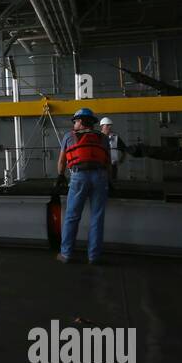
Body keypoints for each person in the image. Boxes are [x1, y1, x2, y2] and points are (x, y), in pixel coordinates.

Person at [56, 107, 111, 264]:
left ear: (80, 121)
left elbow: (62, 161)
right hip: (100, 176)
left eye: (75, 121)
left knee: (72, 216)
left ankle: (66, 254)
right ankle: (94, 256)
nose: (74, 124)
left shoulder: (69, 136)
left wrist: (60, 175)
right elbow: (108, 163)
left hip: (79, 176)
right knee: (97, 217)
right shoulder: (103, 137)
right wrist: (110, 181)